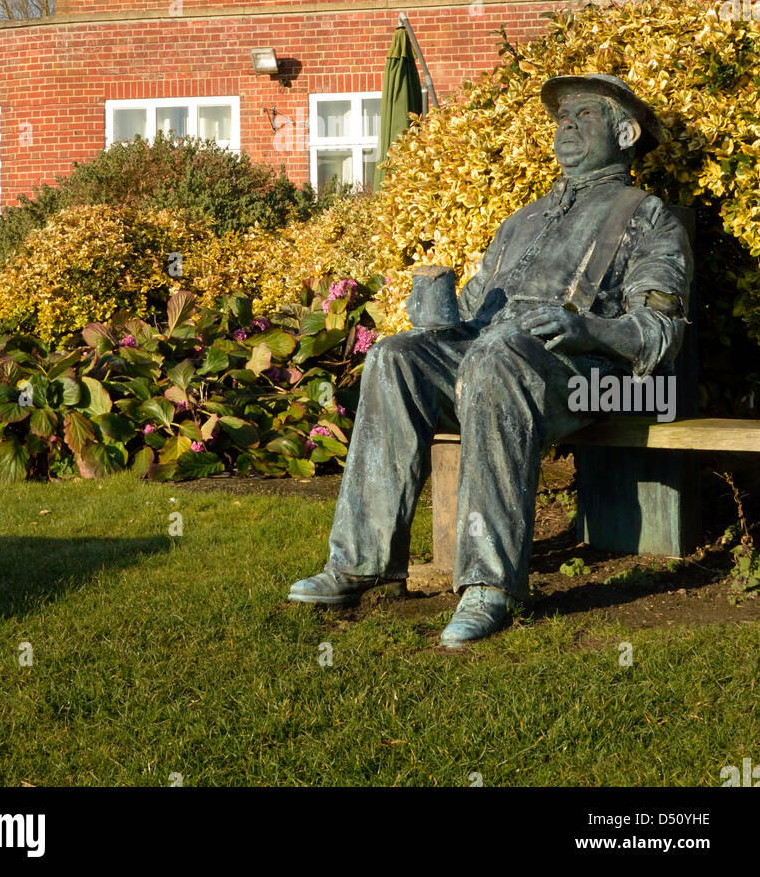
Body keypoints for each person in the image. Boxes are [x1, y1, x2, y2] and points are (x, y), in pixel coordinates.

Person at [287, 74, 693, 648]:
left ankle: (489, 584)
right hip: (491, 358)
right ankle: (364, 561)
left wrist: (585, 327)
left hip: (593, 380)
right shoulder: (520, 222)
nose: (566, 126)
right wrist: (436, 314)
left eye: (585, 116)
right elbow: (473, 318)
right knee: (396, 355)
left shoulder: (648, 217)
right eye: (561, 117)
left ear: (625, 133)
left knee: (496, 355)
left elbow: (658, 332)